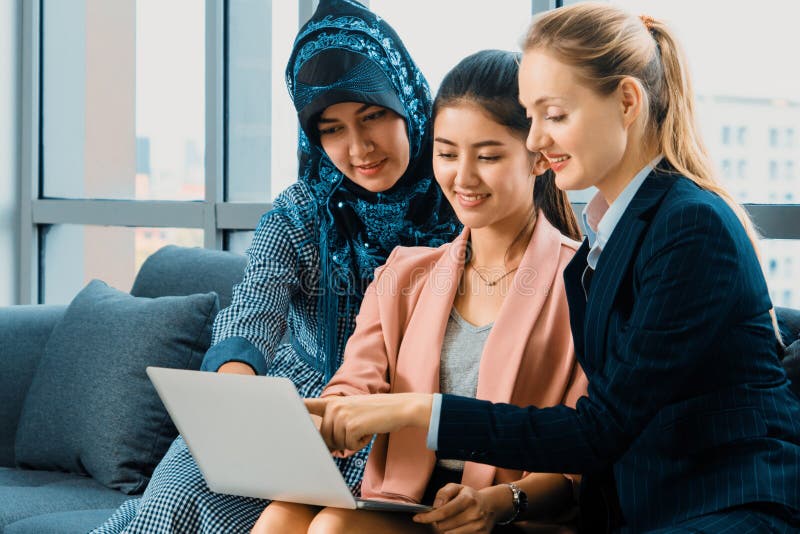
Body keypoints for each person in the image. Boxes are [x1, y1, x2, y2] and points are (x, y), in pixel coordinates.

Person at [305, 3, 800, 532]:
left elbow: (597, 430)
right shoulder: (607, 244)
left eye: (555, 115)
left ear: (627, 102)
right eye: (532, 116)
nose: (537, 140)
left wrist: (417, 413)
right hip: (653, 507)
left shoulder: (689, 226)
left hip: (725, 506)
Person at [91, 1, 459, 532]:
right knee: (173, 498)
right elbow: (252, 310)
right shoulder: (301, 212)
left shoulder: (462, 205)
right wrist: (237, 398)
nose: (358, 148)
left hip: (393, 424)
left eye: (373, 115)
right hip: (291, 412)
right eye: (331, 128)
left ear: (406, 101)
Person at [253, 49, 588, 534]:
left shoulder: (583, 282)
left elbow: (580, 455)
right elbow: (355, 385)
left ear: (538, 156)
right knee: (279, 517)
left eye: (488, 156)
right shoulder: (404, 274)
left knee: (334, 529)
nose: (463, 177)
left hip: (511, 513)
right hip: (405, 503)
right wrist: (322, 418)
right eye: (447, 153)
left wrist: (497, 500)